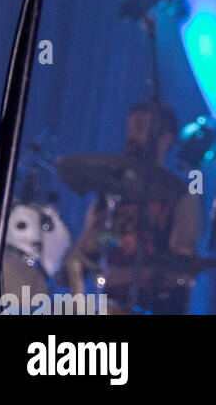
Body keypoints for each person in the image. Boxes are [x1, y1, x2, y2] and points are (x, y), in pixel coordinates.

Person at [72, 102, 201, 313]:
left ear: (165, 139)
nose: (131, 137)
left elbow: (181, 269)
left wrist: (122, 275)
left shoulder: (182, 198)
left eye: (140, 128)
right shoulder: (108, 197)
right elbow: (90, 249)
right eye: (130, 128)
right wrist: (90, 249)